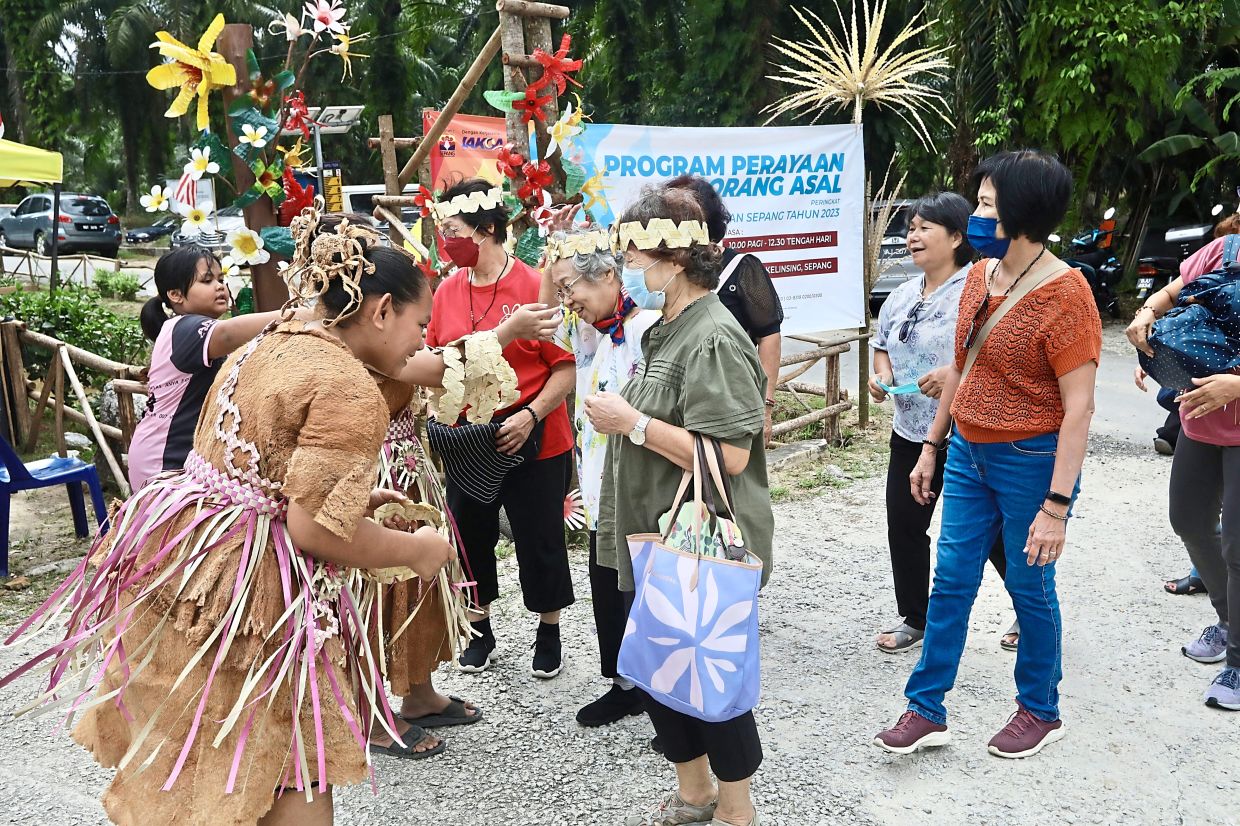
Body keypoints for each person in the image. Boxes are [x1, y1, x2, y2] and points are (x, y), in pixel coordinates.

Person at [1, 208, 458, 825]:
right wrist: (417, 552)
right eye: (420, 324)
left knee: (220, 754)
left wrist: (349, 500)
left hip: (193, 561)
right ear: (380, 311)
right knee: (290, 758)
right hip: (257, 587)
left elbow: (269, 472)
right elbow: (315, 530)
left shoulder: (263, 348)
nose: (421, 342)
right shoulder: (349, 386)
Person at [873, 150, 1101, 759]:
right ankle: (927, 706)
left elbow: (1079, 408)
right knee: (950, 582)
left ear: (1022, 214)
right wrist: (931, 448)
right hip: (967, 453)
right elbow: (963, 370)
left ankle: (1039, 708)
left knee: (1030, 589)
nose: (976, 214)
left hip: (1031, 460)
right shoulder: (979, 276)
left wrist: (1055, 506)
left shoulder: (1067, 293)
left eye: (986, 205)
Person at [590, 186, 774, 826]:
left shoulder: (714, 335)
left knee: (709, 674)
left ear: (673, 254)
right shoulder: (667, 325)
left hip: (699, 535)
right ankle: (694, 790)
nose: (629, 264)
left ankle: (736, 808)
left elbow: (730, 456)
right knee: (659, 665)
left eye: (637, 251)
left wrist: (631, 423)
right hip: (655, 531)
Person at [370, 275, 562, 758]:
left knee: (417, 583)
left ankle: (418, 693)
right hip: (377, 481)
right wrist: (506, 331)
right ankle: (371, 711)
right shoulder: (358, 337)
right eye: (418, 322)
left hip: (411, 471)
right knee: (375, 589)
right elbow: (435, 366)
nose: (421, 329)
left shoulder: (380, 330)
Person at [426, 177, 576, 678]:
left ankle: (548, 629)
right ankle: (479, 628)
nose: (445, 240)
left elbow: (565, 366)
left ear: (487, 229)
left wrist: (531, 413)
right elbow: (437, 360)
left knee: (540, 537)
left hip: (533, 433)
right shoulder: (447, 290)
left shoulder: (535, 285)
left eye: (453, 230)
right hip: (469, 440)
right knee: (469, 536)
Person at [868, 192, 1016, 654]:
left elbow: (991, 354)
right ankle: (916, 616)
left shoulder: (977, 289)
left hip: (966, 432)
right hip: (910, 430)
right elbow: (882, 344)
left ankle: (1031, 612)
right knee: (905, 524)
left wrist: (953, 376)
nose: (912, 236)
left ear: (956, 237)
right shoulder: (901, 294)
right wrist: (883, 375)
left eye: (924, 228)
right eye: (910, 228)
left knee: (988, 532)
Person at [536, 226, 660, 727]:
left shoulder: (651, 327)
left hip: (643, 483)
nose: (567, 300)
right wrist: (552, 261)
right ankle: (624, 685)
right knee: (607, 584)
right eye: (563, 289)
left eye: (573, 287)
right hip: (597, 482)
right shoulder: (584, 329)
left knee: (650, 589)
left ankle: (668, 703)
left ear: (609, 275)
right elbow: (542, 317)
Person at [1127, 233, 1240, 710]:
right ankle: (1227, 619)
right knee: (1189, 521)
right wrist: (1146, 315)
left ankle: (1237, 663)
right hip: (1200, 420)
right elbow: (1174, 292)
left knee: (1237, 542)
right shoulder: (1225, 249)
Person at [129, 245, 297, 491]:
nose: (220, 286)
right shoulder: (186, 328)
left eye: (221, 279)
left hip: (177, 454)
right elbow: (229, 334)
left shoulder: (184, 330)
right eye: (207, 280)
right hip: (165, 461)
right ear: (176, 295)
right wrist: (301, 314)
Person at [665, 174, 784, 444]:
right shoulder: (663, 273)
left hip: (730, 404)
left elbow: (769, 334)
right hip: (673, 405)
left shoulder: (742, 268)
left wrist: (765, 407)